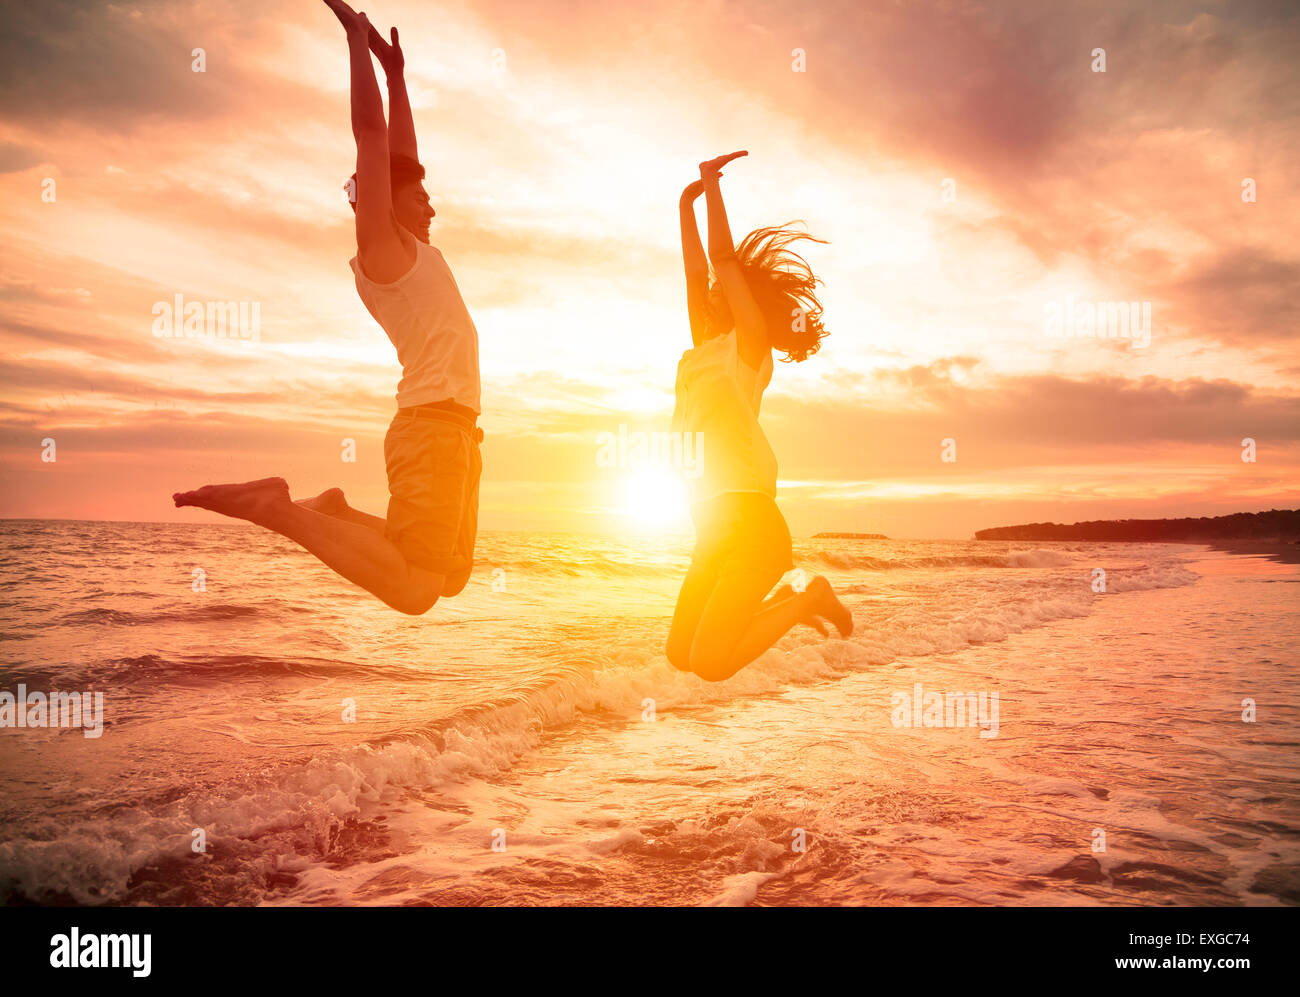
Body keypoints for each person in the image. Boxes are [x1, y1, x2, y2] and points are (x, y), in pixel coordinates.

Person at [173, 0, 482, 616]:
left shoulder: (416, 249)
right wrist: (353, 43)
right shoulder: (383, 252)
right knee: (417, 591)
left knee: (450, 577)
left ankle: (335, 511)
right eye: (419, 199)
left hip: (459, 434)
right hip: (430, 430)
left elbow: (399, 156)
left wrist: (397, 79)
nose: (431, 207)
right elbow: (372, 140)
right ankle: (277, 510)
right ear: (378, 205)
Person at [665, 151, 853, 681]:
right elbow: (696, 270)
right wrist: (685, 204)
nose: (714, 291)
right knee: (680, 654)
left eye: (728, 289)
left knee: (710, 663)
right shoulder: (705, 344)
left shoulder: (748, 349)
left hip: (750, 522)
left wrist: (712, 186)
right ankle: (802, 601)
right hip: (711, 524)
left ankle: (803, 600)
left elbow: (722, 262)